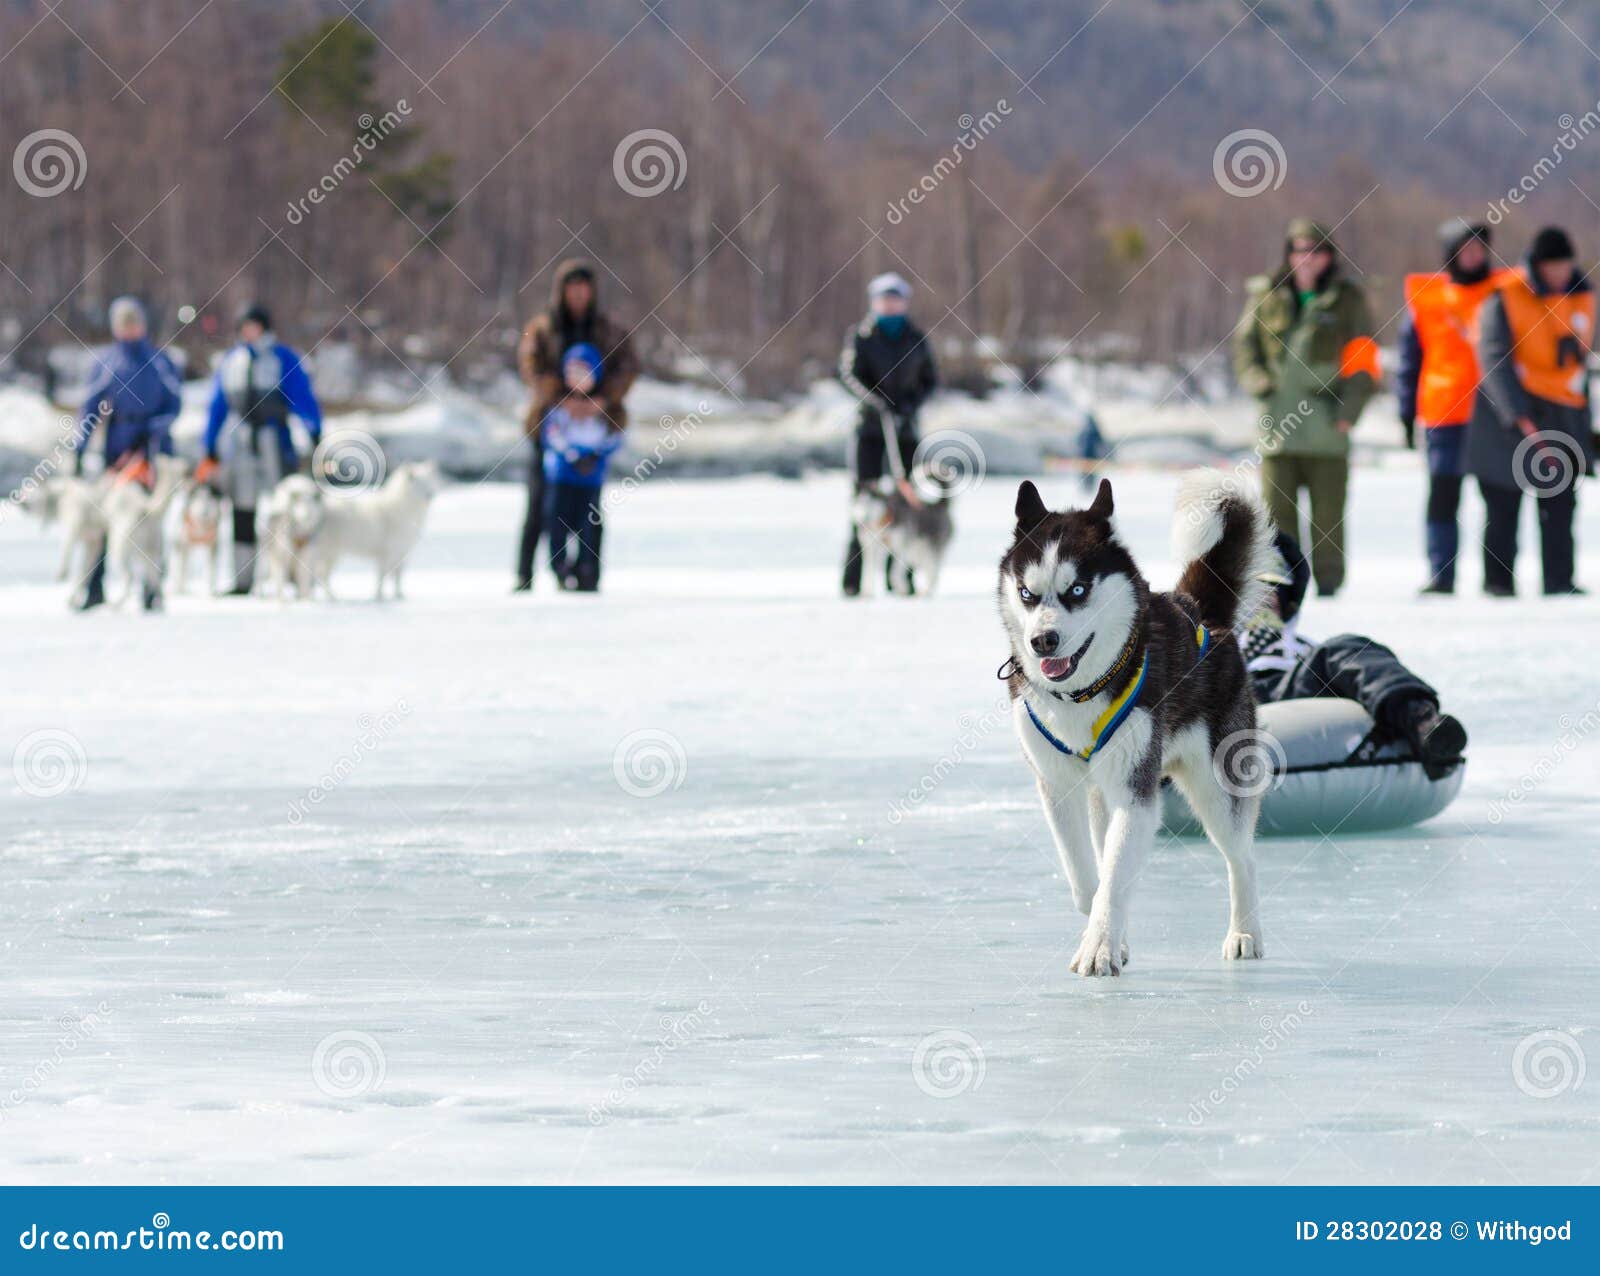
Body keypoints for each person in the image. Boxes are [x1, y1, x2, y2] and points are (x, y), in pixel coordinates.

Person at [1233, 218, 1380, 597]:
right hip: (1278, 429)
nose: (1307, 259)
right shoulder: (1267, 294)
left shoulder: (1348, 300)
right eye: (1300, 250)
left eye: (1315, 251)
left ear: (1329, 257)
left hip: (1328, 429)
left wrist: (1349, 414)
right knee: (1275, 520)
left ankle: (1329, 588)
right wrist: (1259, 383)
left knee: (1329, 520)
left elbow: (1363, 361)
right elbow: (1244, 347)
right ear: (1289, 254)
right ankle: (1282, 589)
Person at [1245, 532, 1467, 778]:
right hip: (1233, 694)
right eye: (1250, 593)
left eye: (1272, 591)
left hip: (1292, 694)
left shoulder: (1307, 651)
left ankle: (1421, 723)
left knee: (1346, 648)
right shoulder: (1206, 639)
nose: (1263, 600)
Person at [1467, 226, 1594, 596]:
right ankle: (1498, 584)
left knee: (1560, 504)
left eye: (1565, 265)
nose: (1560, 273)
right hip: (1507, 417)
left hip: (1563, 412)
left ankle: (1559, 581)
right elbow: (1493, 360)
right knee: (1503, 505)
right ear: (1537, 265)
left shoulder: (1582, 296)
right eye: (1553, 266)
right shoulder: (1504, 296)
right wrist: (1520, 417)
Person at [1396, 219, 1512, 594]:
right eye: (1466, 248)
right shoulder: (1427, 298)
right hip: (1444, 410)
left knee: (1499, 495)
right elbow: (1409, 360)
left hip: (1494, 413)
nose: (1474, 255)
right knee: (1444, 497)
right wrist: (1405, 410)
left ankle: (1498, 579)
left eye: (1480, 247)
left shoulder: (1505, 291)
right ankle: (1441, 576)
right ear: (1451, 253)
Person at [515, 260, 638, 592]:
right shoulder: (542, 328)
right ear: (562, 291)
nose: (579, 295)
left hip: (596, 428)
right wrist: (560, 398)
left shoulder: (608, 329)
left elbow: (628, 367)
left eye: (585, 288)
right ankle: (524, 577)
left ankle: (588, 575)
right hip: (549, 426)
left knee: (590, 510)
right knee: (540, 504)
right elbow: (530, 367)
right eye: (573, 288)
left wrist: (602, 400)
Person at [199, 305, 322, 596]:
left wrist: (314, 430)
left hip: (274, 441)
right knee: (242, 511)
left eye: (254, 326)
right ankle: (243, 579)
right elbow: (217, 406)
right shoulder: (231, 361)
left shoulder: (283, 359)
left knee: (286, 509)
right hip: (240, 442)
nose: (249, 332)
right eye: (245, 327)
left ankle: (294, 575)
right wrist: (210, 446)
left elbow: (302, 397)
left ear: (265, 328)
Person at [73, 296, 184, 611]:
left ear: (143, 325)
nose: (129, 329)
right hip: (118, 449)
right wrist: (81, 446)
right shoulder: (106, 361)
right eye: (123, 323)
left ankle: (151, 587)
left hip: (154, 450)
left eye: (134, 322)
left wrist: (155, 428)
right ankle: (96, 585)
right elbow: (91, 407)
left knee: (149, 519)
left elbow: (175, 404)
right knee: (107, 518)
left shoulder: (161, 361)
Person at [839, 272, 938, 596]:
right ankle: (854, 581)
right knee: (864, 501)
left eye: (895, 298)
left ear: (904, 302)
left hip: (905, 429)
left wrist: (910, 404)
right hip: (869, 428)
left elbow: (930, 379)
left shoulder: (916, 337)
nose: (889, 304)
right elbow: (850, 374)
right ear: (874, 302)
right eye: (883, 299)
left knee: (906, 500)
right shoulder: (862, 335)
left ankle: (902, 577)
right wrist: (877, 402)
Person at [542, 344, 625, 591]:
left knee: (589, 525)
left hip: (590, 479)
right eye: (573, 374)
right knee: (557, 523)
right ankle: (560, 569)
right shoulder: (559, 407)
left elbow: (616, 435)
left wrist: (596, 455)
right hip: (562, 475)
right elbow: (552, 434)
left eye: (583, 374)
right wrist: (571, 455)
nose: (577, 381)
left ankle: (588, 570)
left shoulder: (604, 408)